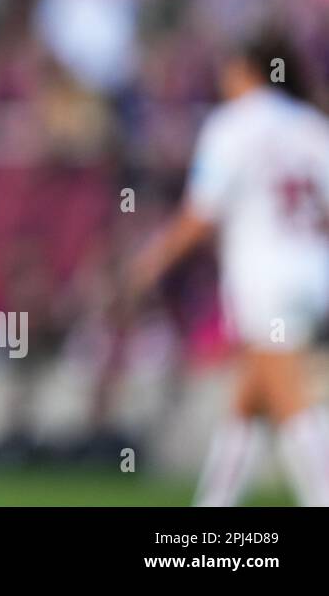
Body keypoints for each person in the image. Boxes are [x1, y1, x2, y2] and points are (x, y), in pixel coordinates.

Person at [129, 31, 329, 506]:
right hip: (314, 273)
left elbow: (201, 213)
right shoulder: (312, 127)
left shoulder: (232, 126)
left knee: (288, 402)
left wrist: (151, 260)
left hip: (266, 278)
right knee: (249, 401)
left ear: (247, 71)